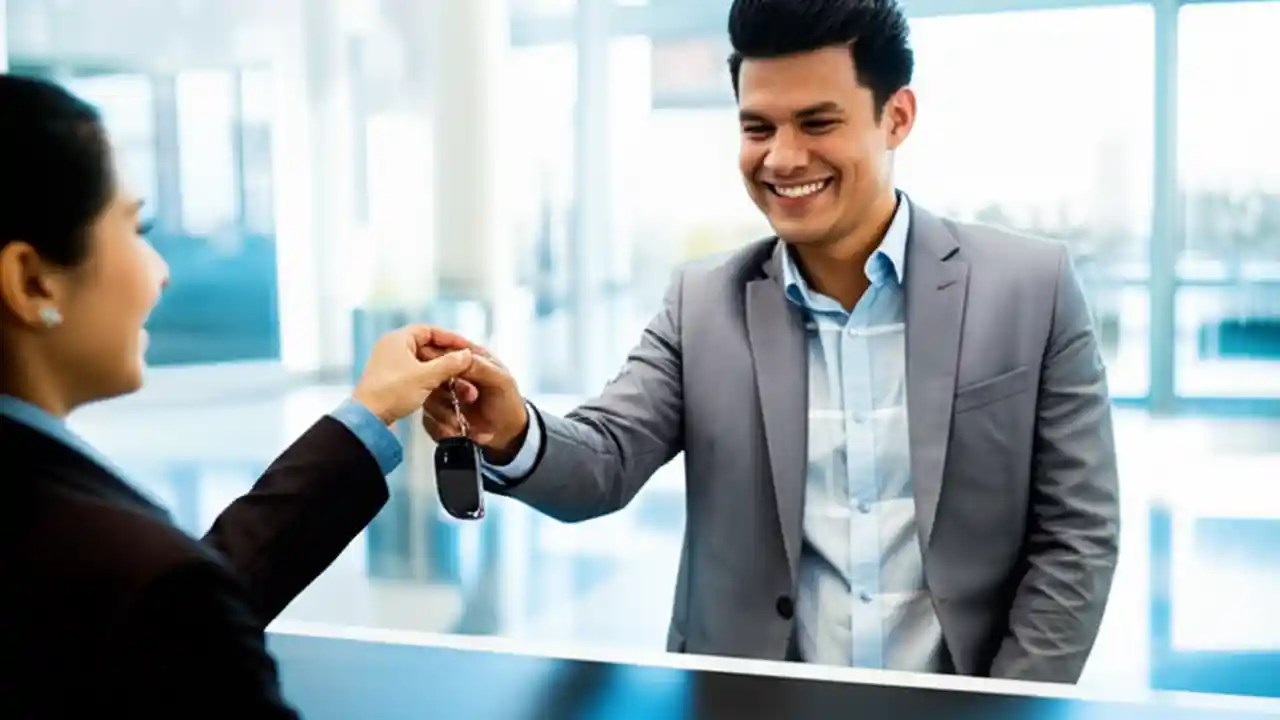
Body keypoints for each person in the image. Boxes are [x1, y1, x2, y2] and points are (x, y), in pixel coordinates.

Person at [420, 0, 1120, 684]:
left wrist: (1003, 707)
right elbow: (604, 461)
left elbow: (1078, 537)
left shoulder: (1033, 288)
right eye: (758, 128)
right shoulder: (702, 305)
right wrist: (512, 431)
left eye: (818, 123)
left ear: (897, 117)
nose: (782, 158)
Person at [0, 74, 474, 717]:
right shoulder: (137, 579)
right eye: (135, 228)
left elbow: (161, 638)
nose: (160, 271)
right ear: (32, 282)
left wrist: (370, 413)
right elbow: (165, 614)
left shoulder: (124, 584)